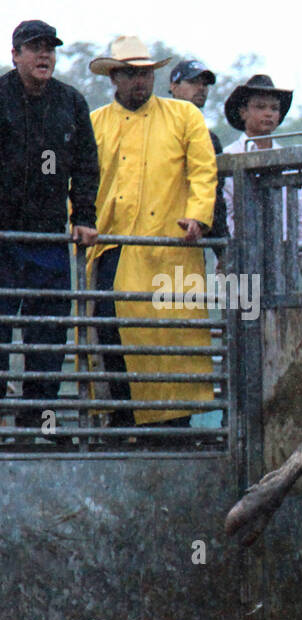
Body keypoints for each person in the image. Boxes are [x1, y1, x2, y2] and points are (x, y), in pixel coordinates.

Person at [87, 35, 217, 429]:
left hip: (166, 247)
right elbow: (79, 180)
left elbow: (203, 172)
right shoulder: (96, 122)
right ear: (114, 77)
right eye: (129, 73)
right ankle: (122, 424)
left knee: (168, 342)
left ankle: (170, 432)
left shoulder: (184, 117)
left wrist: (197, 217)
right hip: (111, 249)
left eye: (144, 73)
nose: (139, 81)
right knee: (111, 337)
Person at [0, 20, 98, 435]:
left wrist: (85, 217)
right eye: (34, 48)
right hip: (2, 238)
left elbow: (86, 164)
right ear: (15, 55)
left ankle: (39, 426)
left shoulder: (70, 103)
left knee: (49, 338)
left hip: (47, 238)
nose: (44, 55)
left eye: (49, 49)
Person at [220, 73, 294, 239]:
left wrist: (300, 251)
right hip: (241, 251)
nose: (268, 113)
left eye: (274, 108)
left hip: (282, 253)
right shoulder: (229, 156)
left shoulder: (287, 159)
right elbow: (225, 210)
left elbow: (298, 210)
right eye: (260, 107)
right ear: (243, 112)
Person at [169, 59, 227, 248]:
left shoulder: (210, 139)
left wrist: (220, 246)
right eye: (193, 82)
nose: (201, 88)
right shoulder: (157, 130)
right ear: (174, 86)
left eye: (205, 84)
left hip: (190, 232)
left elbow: (215, 197)